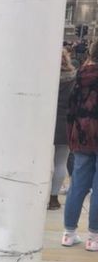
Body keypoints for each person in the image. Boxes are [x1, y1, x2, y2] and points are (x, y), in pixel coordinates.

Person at [63, 41, 98, 251]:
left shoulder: (80, 75)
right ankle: (93, 237)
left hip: (82, 134)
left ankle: (69, 233)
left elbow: (71, 108)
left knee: (77, 184)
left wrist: (72, 135)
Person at [50, 49, 78, 211]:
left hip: (46, 123)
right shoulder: (73, 79)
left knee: (42, 163)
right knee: (60, 163)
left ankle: (41, 193)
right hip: (65, 124)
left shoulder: (47, 77)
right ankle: (54, 198)